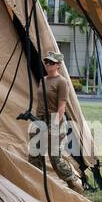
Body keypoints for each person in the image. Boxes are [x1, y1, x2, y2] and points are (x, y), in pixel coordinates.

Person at [27, 52, 85, 193]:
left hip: (55, 120)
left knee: (55, 159)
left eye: (51, 63)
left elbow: (61, 107)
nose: (48, 64)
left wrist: (53, 125)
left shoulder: (62, 82)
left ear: (58, 65)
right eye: (46, 62)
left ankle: (76, 184)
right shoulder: (42, 80)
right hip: (39, 120)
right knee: (34, 155)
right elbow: (40, 102)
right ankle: (36, 187)